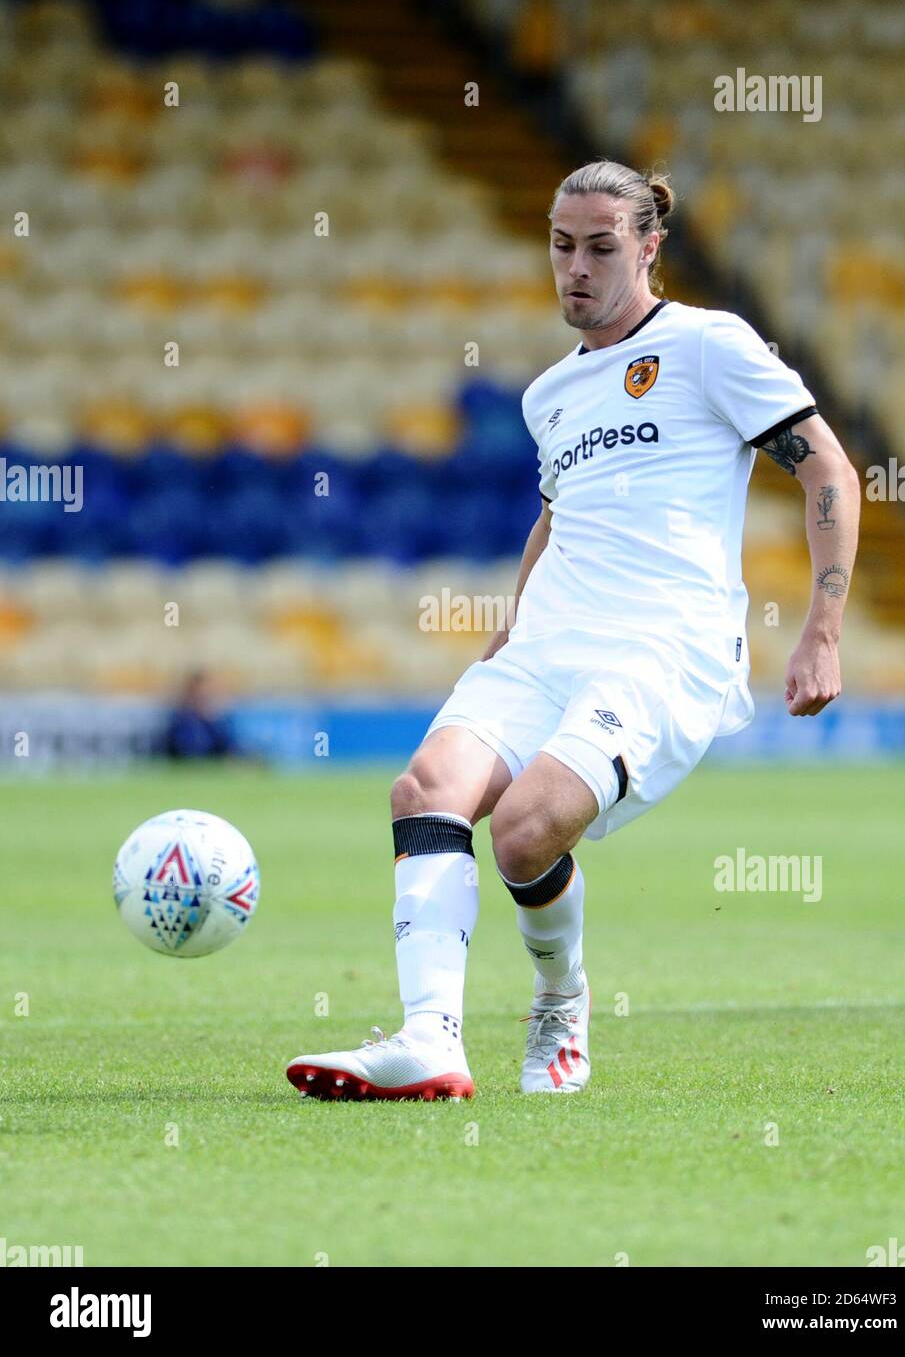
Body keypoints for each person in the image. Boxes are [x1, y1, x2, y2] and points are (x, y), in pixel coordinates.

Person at [287, 160, 860, 1100]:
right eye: (561, 246)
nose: (577, 268)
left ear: (648, 246)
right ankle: (429, 1039)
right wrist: (506, 634)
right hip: (546, 643)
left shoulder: (709, 345)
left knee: (520, 836)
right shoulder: (548, 395)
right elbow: (556, 518)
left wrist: (822, 628)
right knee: (424, 788)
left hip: (660, 651)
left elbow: (826, 470)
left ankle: (561, 999)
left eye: (600, 247)